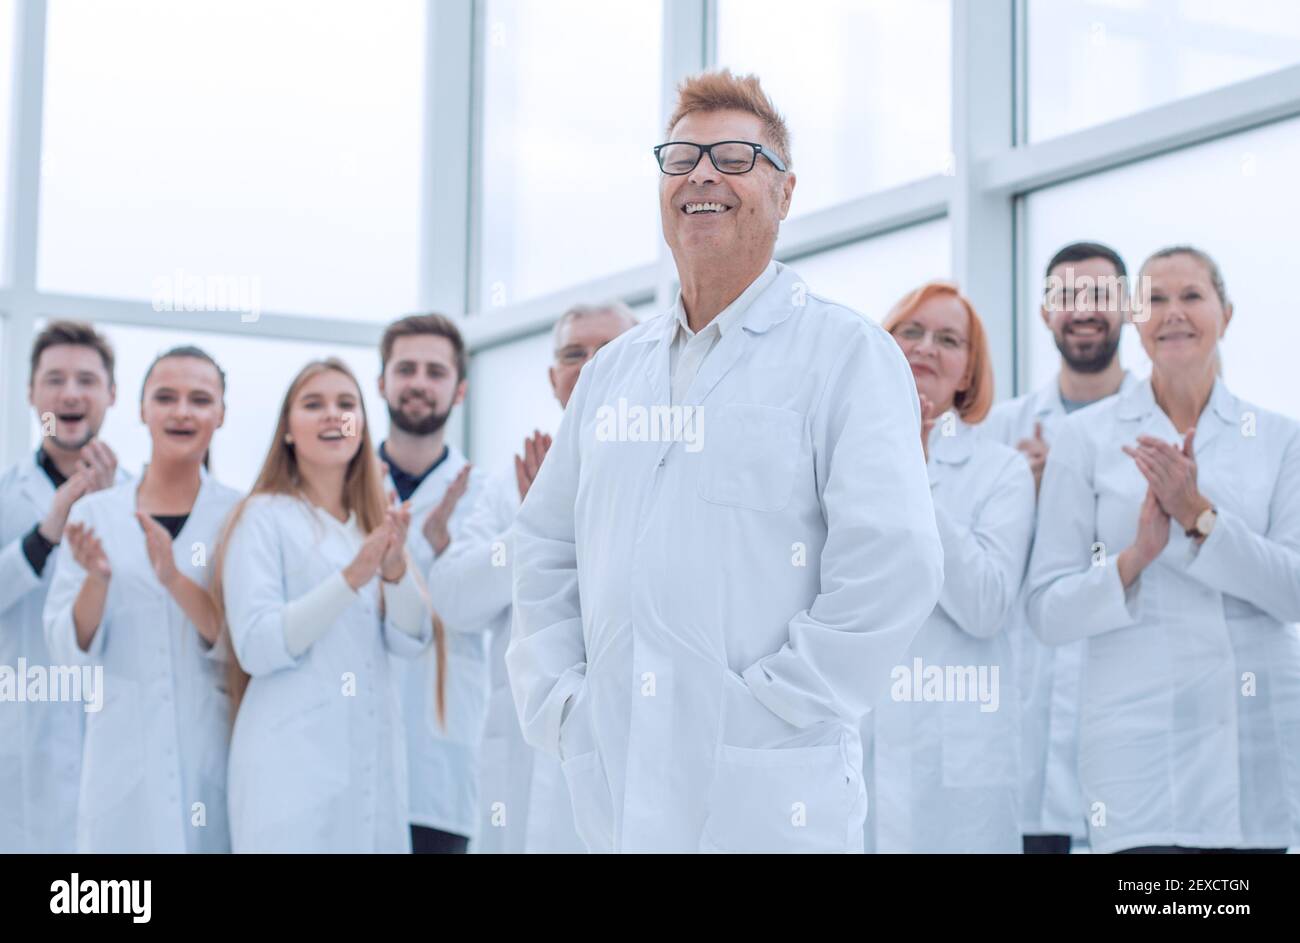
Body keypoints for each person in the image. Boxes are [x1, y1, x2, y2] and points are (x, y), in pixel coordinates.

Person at [507, 69, 943, 853]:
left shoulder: (846, 354)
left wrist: (766, 709)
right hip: (611, 782)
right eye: (681, 160)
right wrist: (562, 705)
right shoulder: (611, 373)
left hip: (769, 795)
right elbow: (543, 549)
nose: (702, 174)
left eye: (735, 157)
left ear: (785, 193)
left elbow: (894, 563)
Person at [1026, 246, 1300, 853]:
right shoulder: (1083, 439)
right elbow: (1046, 610)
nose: (1173, 312)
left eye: (1192, 296)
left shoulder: (1280, 440)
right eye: (1155, 299)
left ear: (1226, 314)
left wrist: (1199, 518)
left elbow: (1294, 592)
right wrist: (1135, 557)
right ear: (1135, 321)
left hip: (1251, 753)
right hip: (1136, 754)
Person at [428, 300, 636, 854]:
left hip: (632, 742)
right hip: (529, 755)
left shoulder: (674, 468)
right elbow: (453, 599)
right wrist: (533, 522)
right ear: (552, 378)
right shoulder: (507, 486)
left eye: (609, 350)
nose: (591, 364)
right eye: (574, 353)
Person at [215, 358, 435, 852]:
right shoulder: (262, 517)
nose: (332, 416)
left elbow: (410, 638)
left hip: (371, 764)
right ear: (288, 431)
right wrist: (353, 576)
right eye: (313, 405)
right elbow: (257, 644)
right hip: (289, 769)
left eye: (346, 405)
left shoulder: (373, 521)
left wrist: (395, 569)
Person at [44, 346, 238, 852]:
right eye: (165, 397)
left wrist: (174, 577)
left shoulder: (241, 515)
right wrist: (97, 581)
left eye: (200, 399)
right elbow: (68, 650)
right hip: (121, 763)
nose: (181, 411)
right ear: (140, 409)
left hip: (212, 751)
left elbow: (243, 642)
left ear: (220, 414)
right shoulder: (95, 516)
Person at [864, 283, 1034, 853]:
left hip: (958, 765)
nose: (926, 348)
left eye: (948, 339)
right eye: (910, 332)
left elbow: (986, 605)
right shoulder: (836, 458)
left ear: (968, 373)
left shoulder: (1000, 471)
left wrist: (910, 479)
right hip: (853, 746)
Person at [981, 241, 1138, 854]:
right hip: (1021, 742)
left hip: (1128, 737)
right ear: (1046, 313)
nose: (1083, 310)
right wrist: (1018, 493)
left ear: (1126, 308)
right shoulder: (1000, 435)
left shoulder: (1163, 431)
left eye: (1099, 295)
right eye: (1066, 296)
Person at [0, 321, 124, 853]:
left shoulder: (140, 497)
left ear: (111, 395)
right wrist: (49, 528)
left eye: (86, 380)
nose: (70, 393)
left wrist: (115, 509)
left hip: (111, 729)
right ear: (31, 393)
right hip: (21, 729)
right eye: (54, 379)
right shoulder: (8, 495)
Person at [374, 313, 487, 855]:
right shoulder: (337, 490)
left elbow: (487, 609)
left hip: (440, 754)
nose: (419, 382)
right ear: (382, 383)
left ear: (459, 390)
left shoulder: (490, 496)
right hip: (353, 745)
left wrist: (442, 545)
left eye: (435, 371)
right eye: (406, 368)